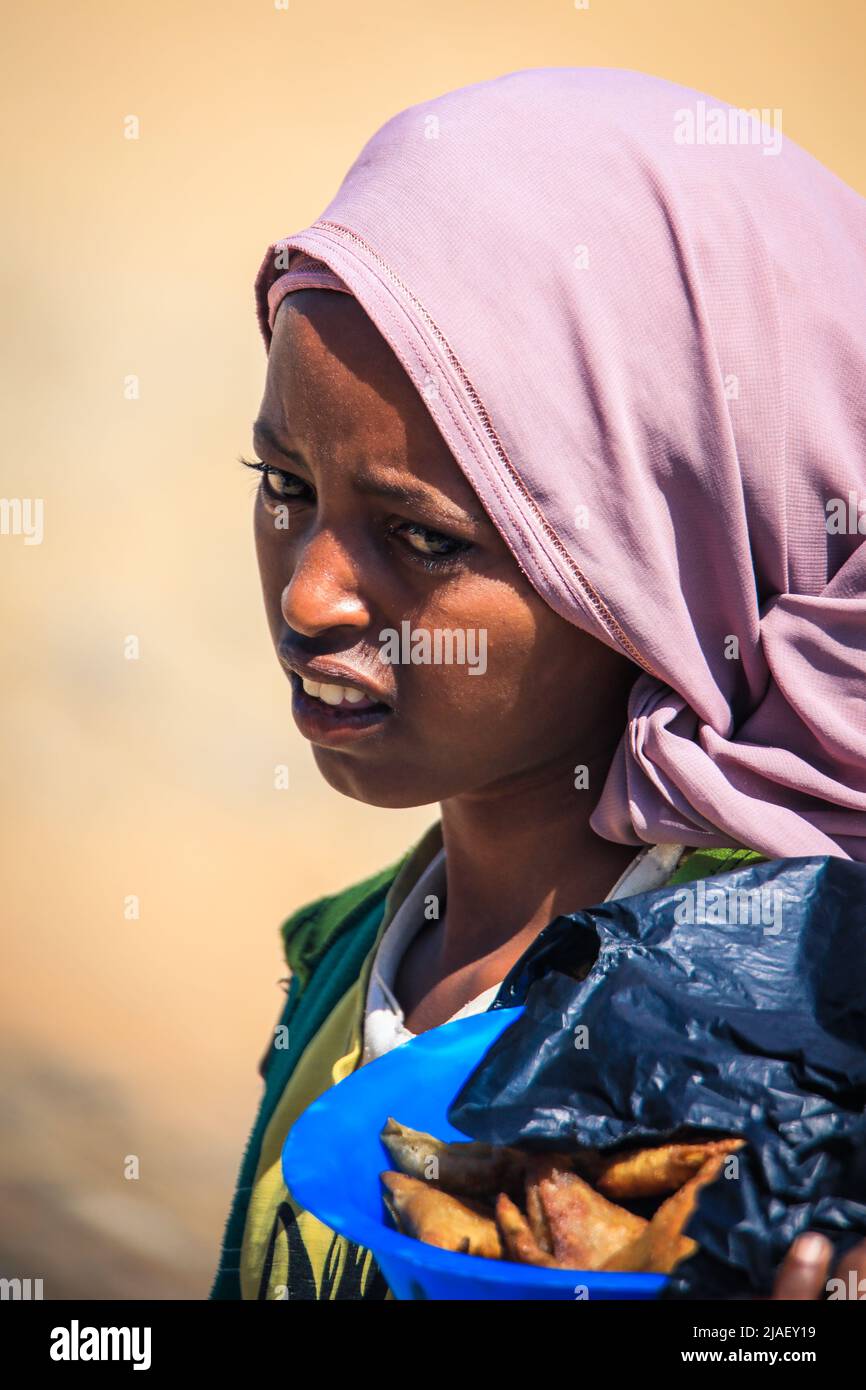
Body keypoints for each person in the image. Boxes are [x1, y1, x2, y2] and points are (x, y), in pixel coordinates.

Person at [210, 68, 866, 1301]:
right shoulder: (348, 951)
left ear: (678, 567)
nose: (308, 600)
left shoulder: (798, 1035)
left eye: (424, 538)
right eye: (284, 486)